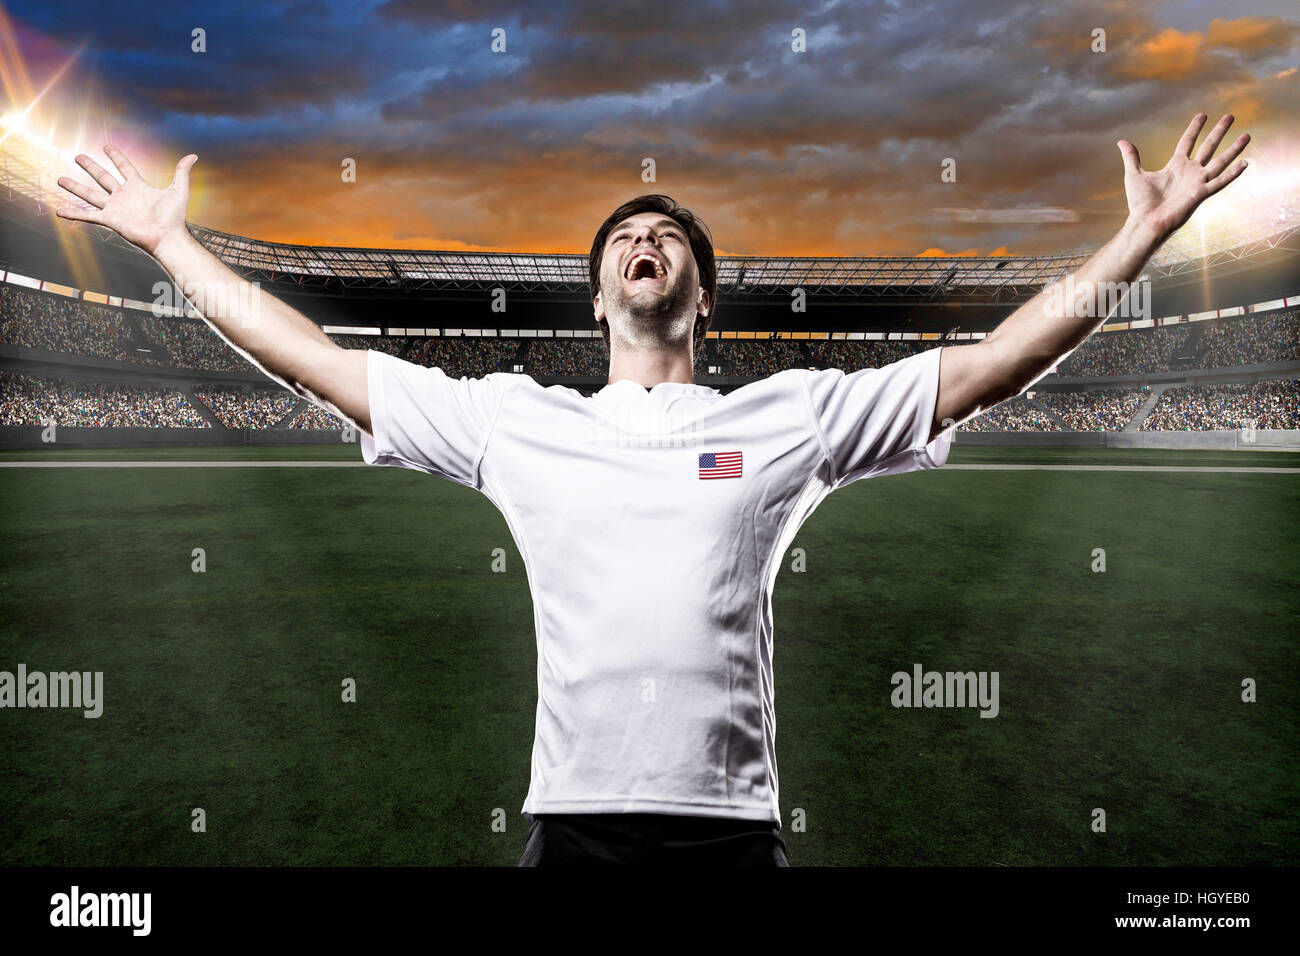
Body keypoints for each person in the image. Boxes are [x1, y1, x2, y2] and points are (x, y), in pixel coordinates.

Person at [56, 113, 1250, 866]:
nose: (645, 239)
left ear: (701, 295)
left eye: (668, 236)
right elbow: (313, 359)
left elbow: (995, 363)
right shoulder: (516, 420)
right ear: (594, 296)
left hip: (733, 834)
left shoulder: (786, 416)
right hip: (570, 825)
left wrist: (1137, 237)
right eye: (624, 234)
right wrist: (167, 245)